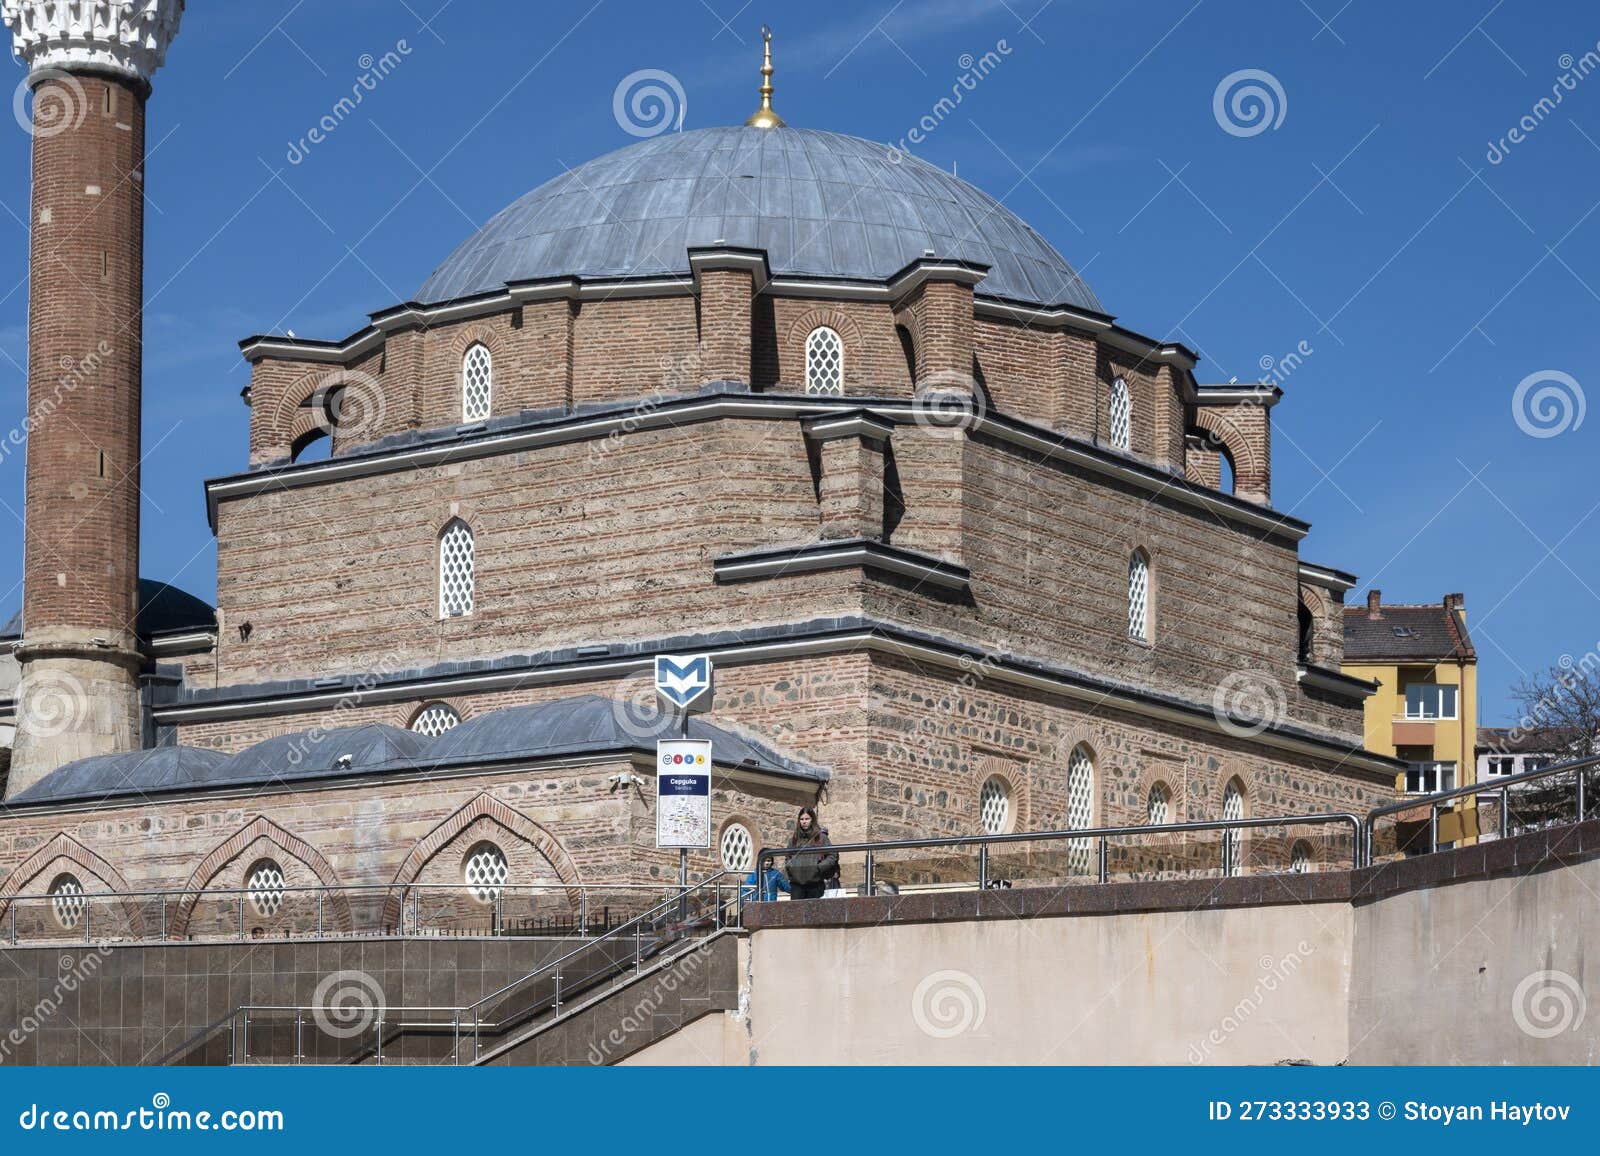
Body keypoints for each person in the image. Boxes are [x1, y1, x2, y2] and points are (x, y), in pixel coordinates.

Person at [784, 806, 839, 900]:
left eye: (807, 819)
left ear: (812, 820)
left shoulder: (821, 838)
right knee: (797, 913)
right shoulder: (793, 840)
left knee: (814, 913)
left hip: (815, 883)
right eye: (801, 819)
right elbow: (788, 857)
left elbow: (833, 855)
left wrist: (819, 868)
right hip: (797, 884)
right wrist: (791, 868)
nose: (804, 821)